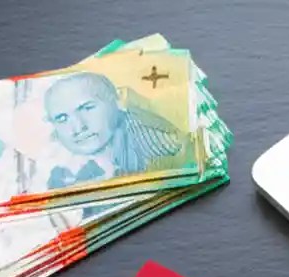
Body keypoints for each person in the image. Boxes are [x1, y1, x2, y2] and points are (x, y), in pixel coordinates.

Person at [41, 72, 183, 190]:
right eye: (62, 118)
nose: (78, 128)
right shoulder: (56, 165)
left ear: (116, 101)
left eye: (87, 108)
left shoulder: (152, 139)